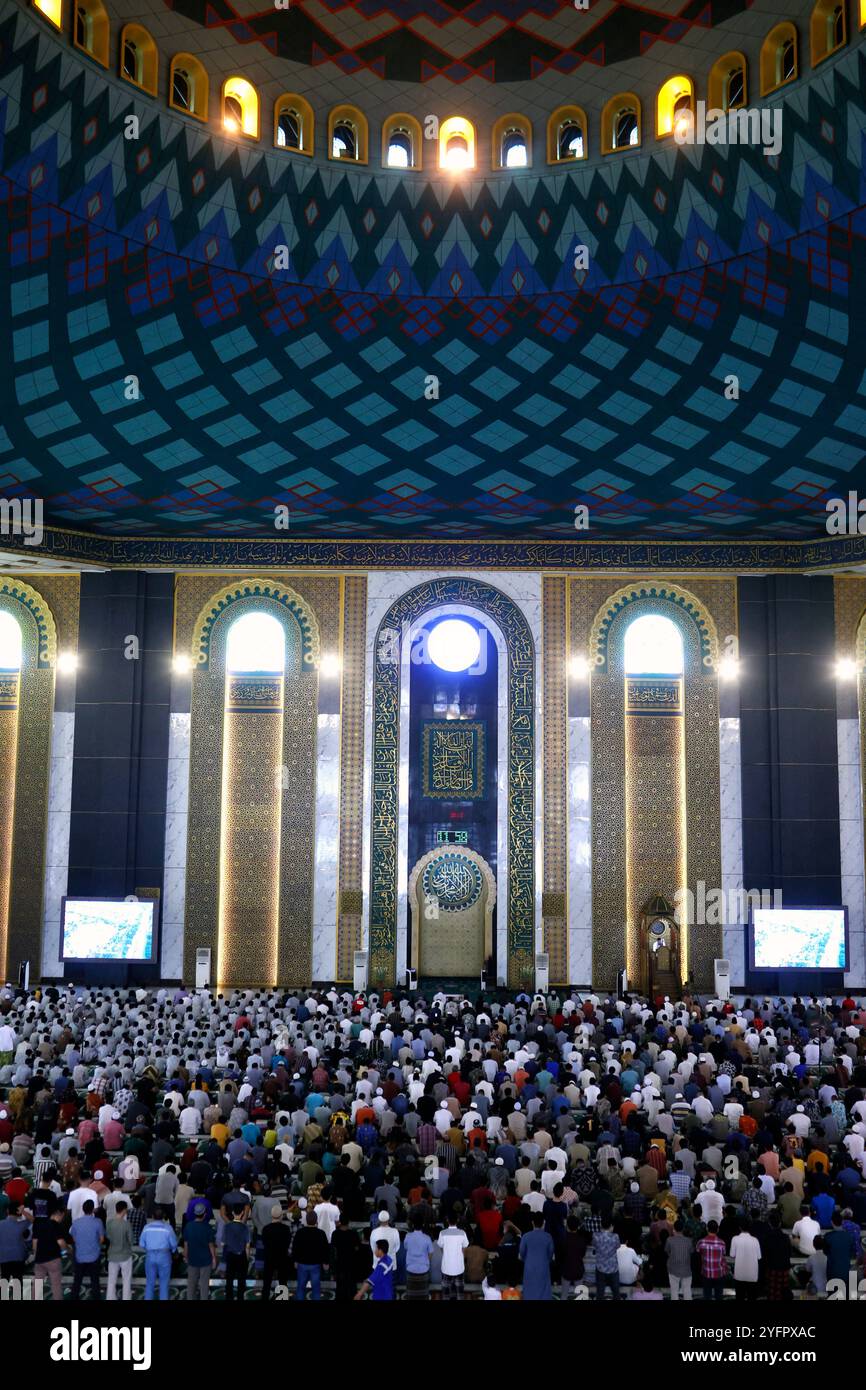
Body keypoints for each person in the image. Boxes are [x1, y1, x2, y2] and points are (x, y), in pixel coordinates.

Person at [139, 1206, 178, 1301]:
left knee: (150, 1283)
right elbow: (174, 1245)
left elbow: (141, 1244)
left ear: (152, 1216)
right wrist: (172, 1252)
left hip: (150, 1256)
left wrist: (149, 1250)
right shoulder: (168, 1228)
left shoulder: (146, 1228)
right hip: (164, 1256)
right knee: (164, 1283)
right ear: (164, 1216)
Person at [292, 1210, 329, 1301]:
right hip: (315, 1265)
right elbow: (325, 1249)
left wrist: (295, 1260)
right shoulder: (321, 1233)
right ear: (316, 1221)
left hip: (302, 1265)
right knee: (316, 1290)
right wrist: (326, 1262)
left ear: (306, 1220)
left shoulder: (300, 1232)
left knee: (300, 1288)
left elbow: (295, 1247)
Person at [183, 1202, 217, 1301]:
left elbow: (186, 1244)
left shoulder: (188, 1226)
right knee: (204, 1285)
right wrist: (214, 1259)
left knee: (191, 1284)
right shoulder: (208, 1228)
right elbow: (211, 1245)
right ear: (205, 1214)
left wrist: (185, 1256)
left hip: (192, 1259)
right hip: (205, 1261)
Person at [519, 1211, 555, 1300]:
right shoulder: (548, 1237)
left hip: (529, 1267)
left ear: (532, 1222)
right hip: (543, 1266)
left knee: (529, 1291)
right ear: (543, 1223)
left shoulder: (526, 1236)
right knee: (544, 1291)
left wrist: (526, 1260)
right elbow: (550, 1254)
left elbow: (521, 1252)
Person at [105, 1198, 134, 1300]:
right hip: (125, 1255)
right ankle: (126, 1298)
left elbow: (108, 1237)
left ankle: (110, 1297)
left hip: (112, 1255)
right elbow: (131, 1241)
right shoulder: (126, 1224)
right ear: (124, 1210)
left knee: (111, 1279)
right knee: (126, 1279)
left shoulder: (109, 1223)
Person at [222, 1205, 251, 1302]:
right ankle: (240, 1297)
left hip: (230, 1255)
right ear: (242, 1213)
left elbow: (223, 1243)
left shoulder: (227, 1226)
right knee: (241, 1280)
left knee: (229, 1279)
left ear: (233, 1213)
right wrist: (247, 1258)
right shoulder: (245, 1227)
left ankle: (229, 1298)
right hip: (241, 1255)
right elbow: (247, 1246)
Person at [438, 1215, 468, 1300]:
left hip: (446, 1268)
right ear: (457, 1220)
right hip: (459, 1268)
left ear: (447, 1220)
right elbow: (465, 1247)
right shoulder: (462, 1233)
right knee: (459, 1295)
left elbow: (441, 1246)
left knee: (446, 1295)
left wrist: (447, 1253)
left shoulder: (442, 1233)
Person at [729, 1221, 761, 1301]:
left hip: (739, 1274)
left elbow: (732, 1255)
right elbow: (759, 1257)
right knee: (752, 1297)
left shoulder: (735, 1239)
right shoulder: (755, 1240)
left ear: (740, 1228)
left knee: (740, 1296)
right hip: (752, 1275)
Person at [404, 1216, 434, 1300]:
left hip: (411, 1270)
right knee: (423, 1296)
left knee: (411, 1297)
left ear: (413, 1225)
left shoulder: (408, 1236)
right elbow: (431, 1253)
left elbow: (406, 1248)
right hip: (423, 1270)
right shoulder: (427, 1238)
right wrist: (426, 1262)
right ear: (423, 1225)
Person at [696, 1220, 726, 1301]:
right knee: (719, 1297)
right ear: (717, 1229)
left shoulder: (701, 1242)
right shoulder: (722, 1243)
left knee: (707, 1296)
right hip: (719, 1273)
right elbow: (723, 1256)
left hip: (706, 1273)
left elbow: (698, 1252)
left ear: (707, 1229)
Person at [592, 1217, 620, 1301]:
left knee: (600, 1292)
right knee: (616, 1292)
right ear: (611, 1226)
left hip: (601, 1267)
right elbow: (618, 1246)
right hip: (613, 1268)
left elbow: (594, 1245)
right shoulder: (615, 1236)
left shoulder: (595, 1235)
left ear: (601, 1225)